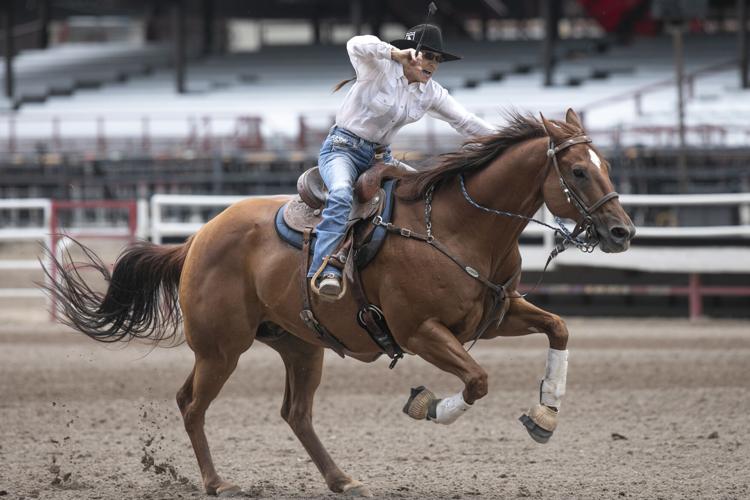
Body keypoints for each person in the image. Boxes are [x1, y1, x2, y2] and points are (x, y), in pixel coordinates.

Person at [309, 24, 496, 299]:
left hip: (381, 158)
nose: (432, 64)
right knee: (340, 194)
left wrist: (510, 139)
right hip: (342, 150)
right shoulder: (378, 67)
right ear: (412, 53)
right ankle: (323, 268)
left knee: (428, 192)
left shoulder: (431, 92)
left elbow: (465, 121)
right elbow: (355, 44)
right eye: (428, 56)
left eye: (437, 59)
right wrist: (394, 54)